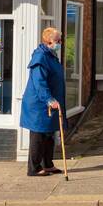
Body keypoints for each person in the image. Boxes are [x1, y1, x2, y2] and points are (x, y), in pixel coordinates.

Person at [20, 26, 66, 176]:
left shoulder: (50, 55)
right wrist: (49, 99)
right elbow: (39, 82)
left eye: (60, 39)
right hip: (39, 104)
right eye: (57, 40)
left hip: (48, 104)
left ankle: (48, 164)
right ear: (48, 41)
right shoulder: (40, 58)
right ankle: (34, 168)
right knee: (38, 135)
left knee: (49, 135)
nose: (60, 42)